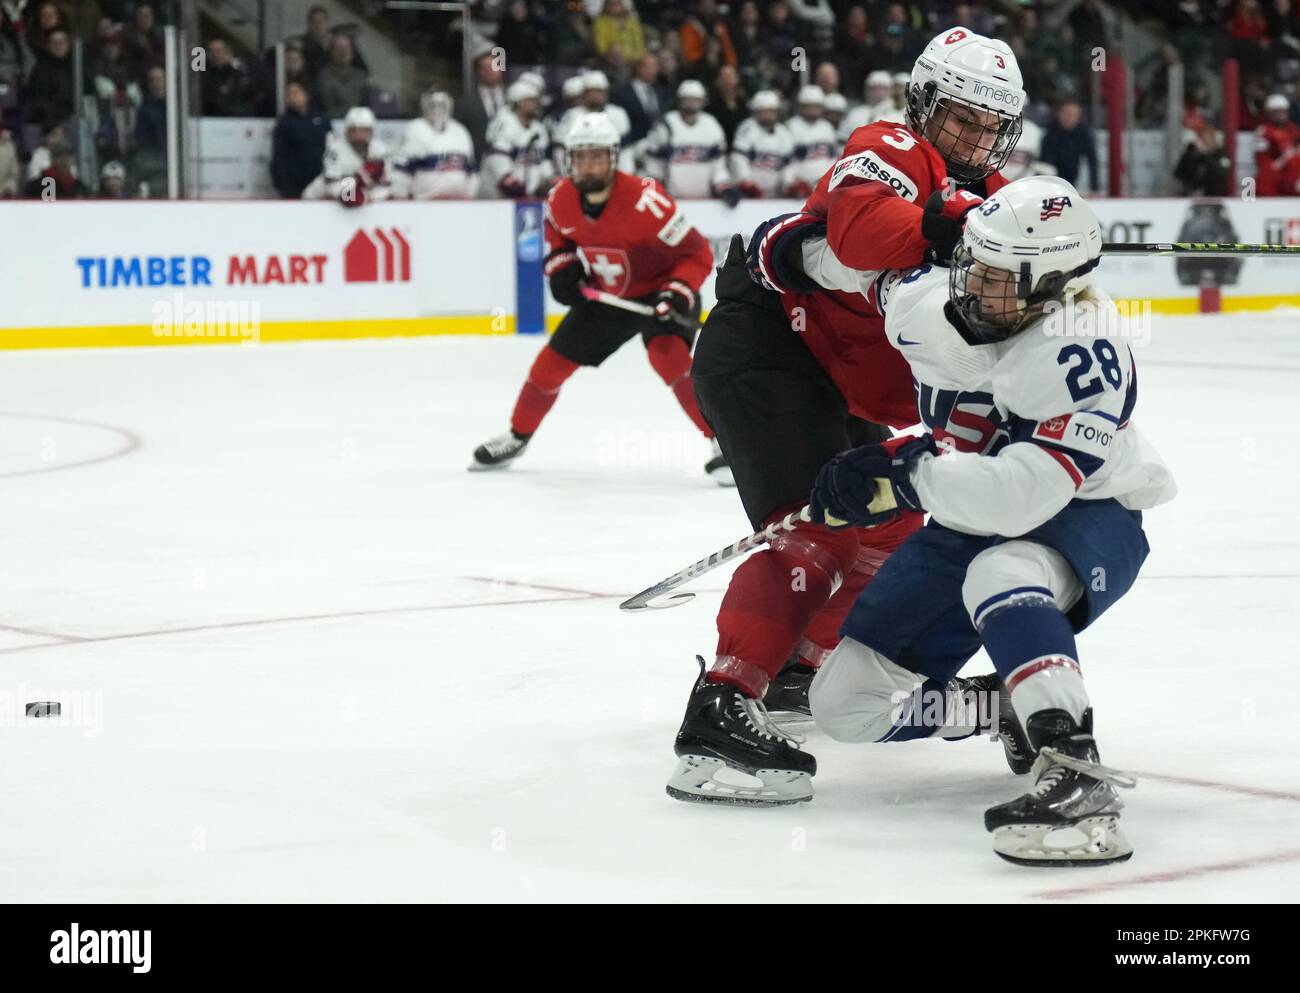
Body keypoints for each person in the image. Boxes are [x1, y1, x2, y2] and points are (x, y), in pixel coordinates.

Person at [665, 26, 1026, 806]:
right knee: (819, 525)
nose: (974, 136)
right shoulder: (890, 147)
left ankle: (797, 667)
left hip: (837, 382)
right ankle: (721, 709)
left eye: (990, 123)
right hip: (767, 350)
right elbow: (860, 232)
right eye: (960, 115)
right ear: (923, 104)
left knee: (891, 523)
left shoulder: (995, 204)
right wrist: (949, 226)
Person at [803, 176, 1176, 865]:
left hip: (1085, 511)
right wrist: (782, 250)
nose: (973, 286)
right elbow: (856, 266)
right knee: (844, 704)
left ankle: (1074, 765)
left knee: (1000, 571)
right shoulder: (931, 298)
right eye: (971, 262)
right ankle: (994, 707)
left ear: (1056, 287)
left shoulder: (1081, 348)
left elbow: (1021, 499)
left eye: (999, 278)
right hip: (970, 500)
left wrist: (905, 476)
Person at [470, 113, 727, 484]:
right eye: (580, 157)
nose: (588, 165)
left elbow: (698, 253)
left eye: (596, 156)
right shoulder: (561, 198)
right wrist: (562, 266)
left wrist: (676, 293)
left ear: (612, 158)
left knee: (667, 357)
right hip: (608, 297)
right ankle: (517, 436)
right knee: (549, 365)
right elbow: (559, 237)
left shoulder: (645, 201)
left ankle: (722, 442)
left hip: (661, 293)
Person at [643, 79, 733, 201]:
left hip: (705, 200)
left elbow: (718, 164)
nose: (691, 103)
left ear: (703, 101)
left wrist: (723, 187)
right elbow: (653, 162)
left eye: (696, 99)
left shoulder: (712, 124)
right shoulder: (665, 123)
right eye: (687, 99)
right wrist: (655, 187)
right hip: (671, 198)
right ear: (679, 100)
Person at [392, 89, 476, 199]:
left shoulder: (460, 131)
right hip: (424, 203)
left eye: (442, 105)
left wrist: (469, 194)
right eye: (433, 105)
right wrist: (400, 197)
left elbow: (472, 170)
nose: (438, 109)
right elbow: (401, 170)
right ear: (424, 105)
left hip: (459, 202)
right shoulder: (414, 129)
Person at [301, 106, 393, 206]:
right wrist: (353, 194)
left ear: (371, 131)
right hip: (317, 200)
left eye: (363, 131)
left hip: (362, 203)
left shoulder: (380, 150)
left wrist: (366, 197)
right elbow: (332, 186)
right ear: (347, 132)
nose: (358, 135)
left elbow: (386, 186)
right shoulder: (335, 149)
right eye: (354, 131)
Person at [480, 79, 554, 199]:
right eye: (530, 100)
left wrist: (549, 179)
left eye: (535, 101)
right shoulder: (503, 123)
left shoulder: (538, 127)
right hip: (497, 197)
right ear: (518, 102)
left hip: (528, 194)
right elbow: (496, 159)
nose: (534, 105)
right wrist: (506, 178)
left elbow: (543, 160)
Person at [271, 80, 331, 199]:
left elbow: (333, 149)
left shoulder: (321, 119)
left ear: (306, 95)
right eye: (289, 94)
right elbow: (279, 158)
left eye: (296, 93)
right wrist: (286, 188)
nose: (292, 97)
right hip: (295, 186)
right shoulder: (284, 124)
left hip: (322, 183)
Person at [728, 90, 794, 197]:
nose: (768, 115)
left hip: (776, 195)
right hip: (749, 193)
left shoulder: (783, 132)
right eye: (763, 111)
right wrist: (746, 182)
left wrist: (788, 185)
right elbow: (738, 159)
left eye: (771, 111)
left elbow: (788, 164)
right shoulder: (747, 127)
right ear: (755, 111)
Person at [785, 85, 838, 198]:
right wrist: (791, 183)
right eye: (809, 106)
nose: (813, 109)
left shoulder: (827, 127)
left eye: (816, 106)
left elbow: (833, 158)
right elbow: (786, 161)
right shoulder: (791, 126)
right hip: (800, 187)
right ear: (801, 107)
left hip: (825, 186)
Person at [1040, 101, 1099, 193]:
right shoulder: (1050, 133)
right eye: (1067, 114)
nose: (1069, 118)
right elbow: (1044, 161)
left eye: (1073, 115)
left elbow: (1092, 160)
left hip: (1072, 177)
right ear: (1060, 114)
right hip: (1051, 179)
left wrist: (1094, 186)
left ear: (1078, 117)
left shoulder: (1083, 133)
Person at [1253, 93, 1300, 195]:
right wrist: (1283, 160)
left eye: (1283, 111)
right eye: (1277, 112)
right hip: (1275, 169)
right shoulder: (1264, 131)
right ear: (1269, 113)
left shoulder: (1292, 129)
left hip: (1291, 169)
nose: (1281, 115)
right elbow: (1262, 160)